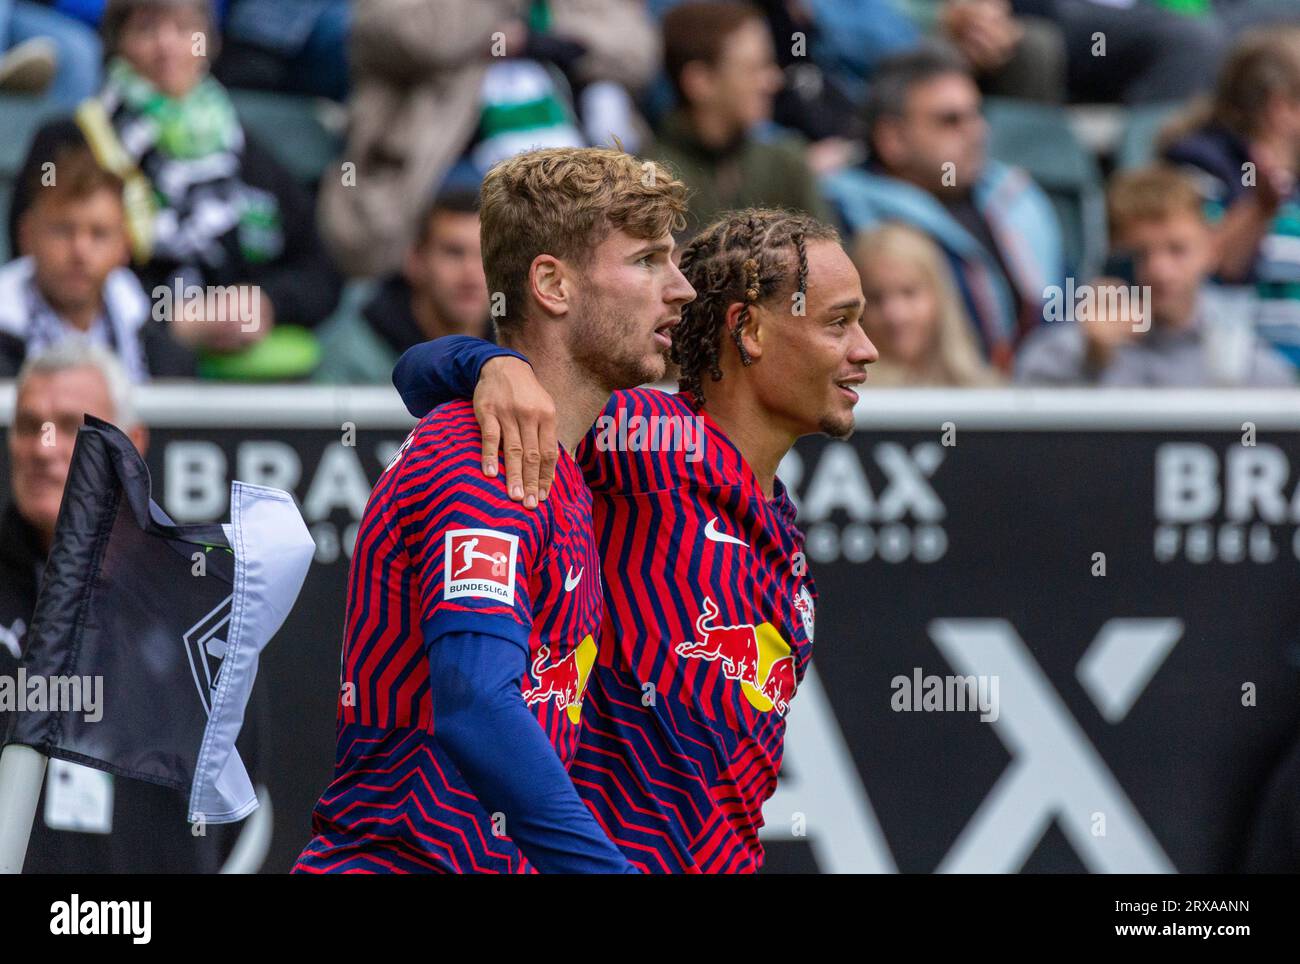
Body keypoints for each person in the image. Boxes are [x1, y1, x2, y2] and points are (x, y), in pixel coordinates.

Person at [392, 207, 877, 871]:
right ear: (751, 329)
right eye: (839, 322)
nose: (865, 349)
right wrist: (490, 364)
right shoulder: (642, 437)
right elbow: (416, 373)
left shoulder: (783, 537)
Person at [292, 146, 695, 874]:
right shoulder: (489, 462)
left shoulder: (567, 453)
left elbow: (413, 371)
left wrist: (479, 359)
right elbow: (476, 705)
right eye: (646, 261)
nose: (681, 288)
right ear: (551, 283)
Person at [0, 341, 253, 871]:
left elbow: (243, 796)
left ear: (130, 446)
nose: (43, 449)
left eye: (71, 426)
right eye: (28, 426)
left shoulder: (198, 602)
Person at [9, 0, 342, 379]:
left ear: (210, 44)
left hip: (239, 393)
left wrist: (265, 303)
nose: (167, 47)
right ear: (118, 43)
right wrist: (164, 321)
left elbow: (321, 272)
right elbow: (41, 265)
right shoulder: (71, 141)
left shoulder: (242, 149)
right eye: (147, 29)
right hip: (107, 375)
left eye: (185, 30)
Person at [318, 0, 659, 278]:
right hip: (435, 167)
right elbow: (420, 38)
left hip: (571, 155)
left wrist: (534, 40)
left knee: (623, 226)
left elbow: (635, 53)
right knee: (504, 225)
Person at [824, 44, 1063, 370]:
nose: (976, 132)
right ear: (892, 139)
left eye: (976, 114)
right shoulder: (842, 215)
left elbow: (1061, 310)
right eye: (950, 121)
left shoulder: (1018, 198)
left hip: (1035, 399)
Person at [1015, 165, 1295, 386]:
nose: (1159, 270)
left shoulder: (1237, 347)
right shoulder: (1081, 343)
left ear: (1211, 251)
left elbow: (1280, 404)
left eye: (1177, 250)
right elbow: (1023, 404)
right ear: (1114, 258)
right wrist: (1090, 360)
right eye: (1140, 253)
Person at [1162, 26, 1300, 369]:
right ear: (1281, 107)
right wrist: (1260, 209)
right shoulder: (1195, 171)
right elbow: (1210, 265)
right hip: (1237, 387)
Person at [0, 143, 193, 379]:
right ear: (27, 236)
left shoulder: (160, 347)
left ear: (125, 246)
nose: (80, 251)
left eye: (99, 233)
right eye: (63, 230)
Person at [649, 1, 831, 237]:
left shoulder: (787, 163)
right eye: (755, 68)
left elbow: (830, 263)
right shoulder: (651, 178)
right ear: (700, 81)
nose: (773, 80)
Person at [312, 189, 491, 385]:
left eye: (486, 256)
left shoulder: (520, 345)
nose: (471, 274)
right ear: (415, 260)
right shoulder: (353, 355)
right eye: (453, 253)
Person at [854, 221, 1002, 386]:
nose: (894, 315)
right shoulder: (849, 398)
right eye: (875, 298)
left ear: (939, 295)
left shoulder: (985, 392)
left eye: (908, 292)